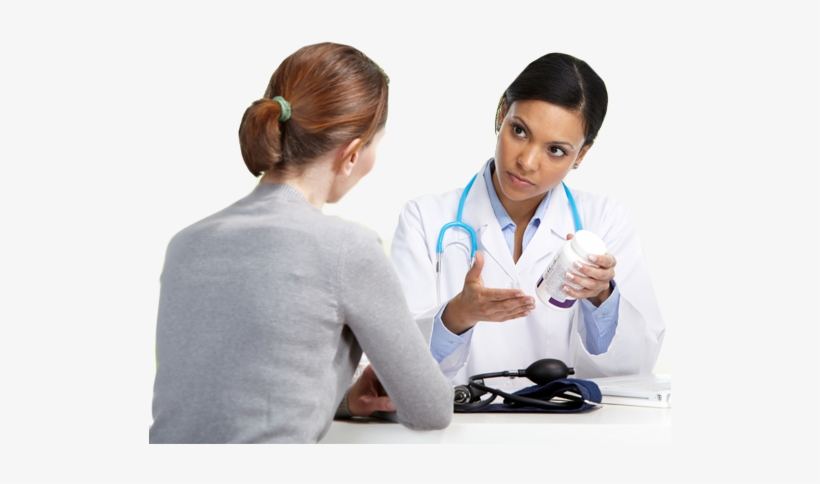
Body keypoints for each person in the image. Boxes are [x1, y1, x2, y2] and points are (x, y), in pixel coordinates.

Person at [149, 43, 452, 444]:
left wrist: (345, 399)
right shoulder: (348, 248)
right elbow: (430, 409)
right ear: (352, 154)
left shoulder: (185, 244)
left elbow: (221, 398)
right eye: (375, 145)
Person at [390, 53, 665, 387]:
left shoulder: (605, 221)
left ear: (581, 154)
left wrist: (601, 297)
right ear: (501, 114)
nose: (528, 162)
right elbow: (393, 364)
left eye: (556, 150)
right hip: (457, 420)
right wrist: (458, 315)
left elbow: (634, 369)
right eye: (519, 131)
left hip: (563, 420)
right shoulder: (424, 220)